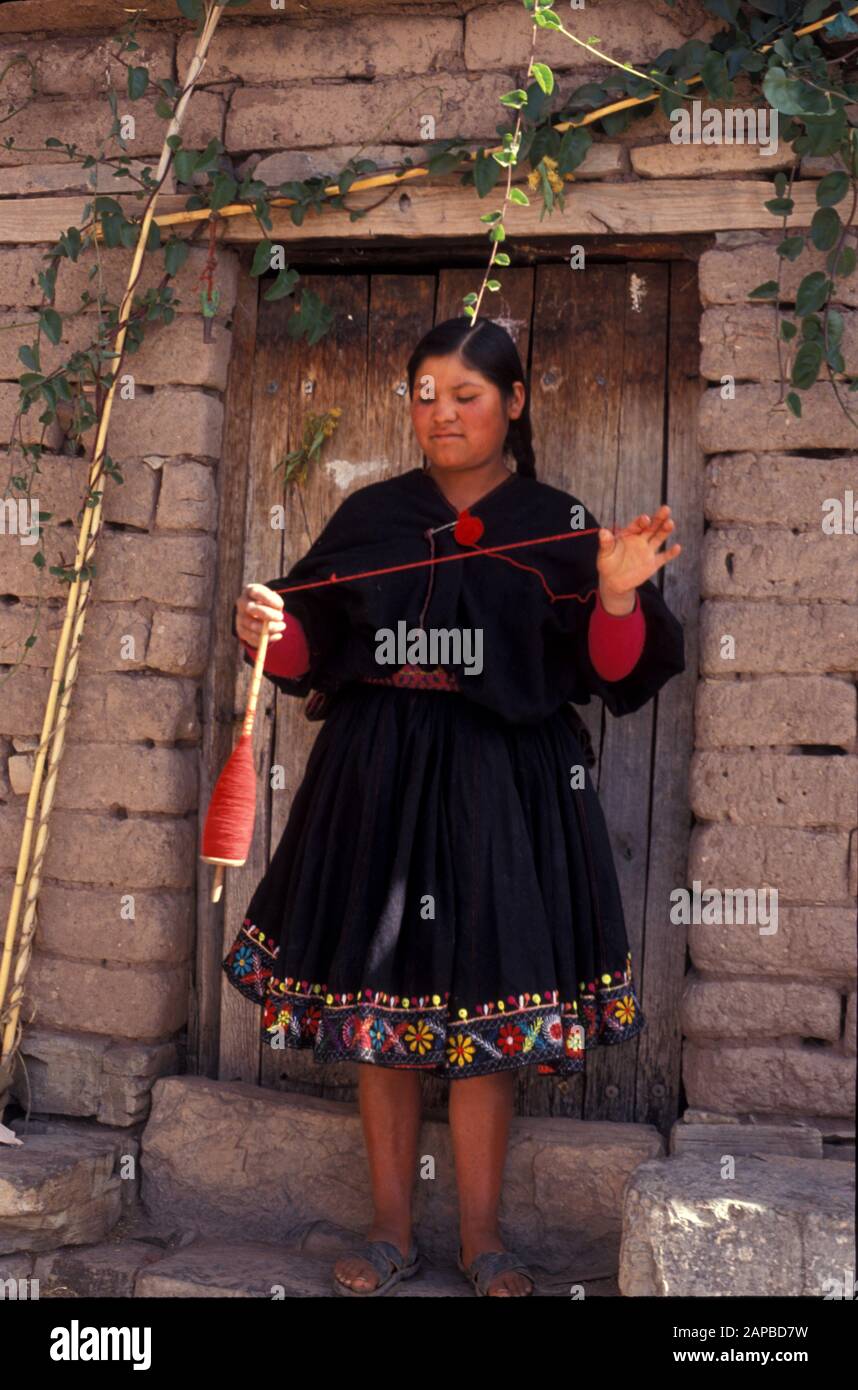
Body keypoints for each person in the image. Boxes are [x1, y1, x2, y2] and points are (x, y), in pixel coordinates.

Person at [223, 316, 685, 1297]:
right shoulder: (372, 516)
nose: (441, 413)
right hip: (377, 772)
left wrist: (612, 598)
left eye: (465, 395)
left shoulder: (561, 525)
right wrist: (270, 622)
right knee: (378, 1004)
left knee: (490, 1011)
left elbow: (615, 676)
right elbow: (309, 642)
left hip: (506, 785)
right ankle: (391, 1230)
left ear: (514, 402)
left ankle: (484, 1241)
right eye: (424, 394)